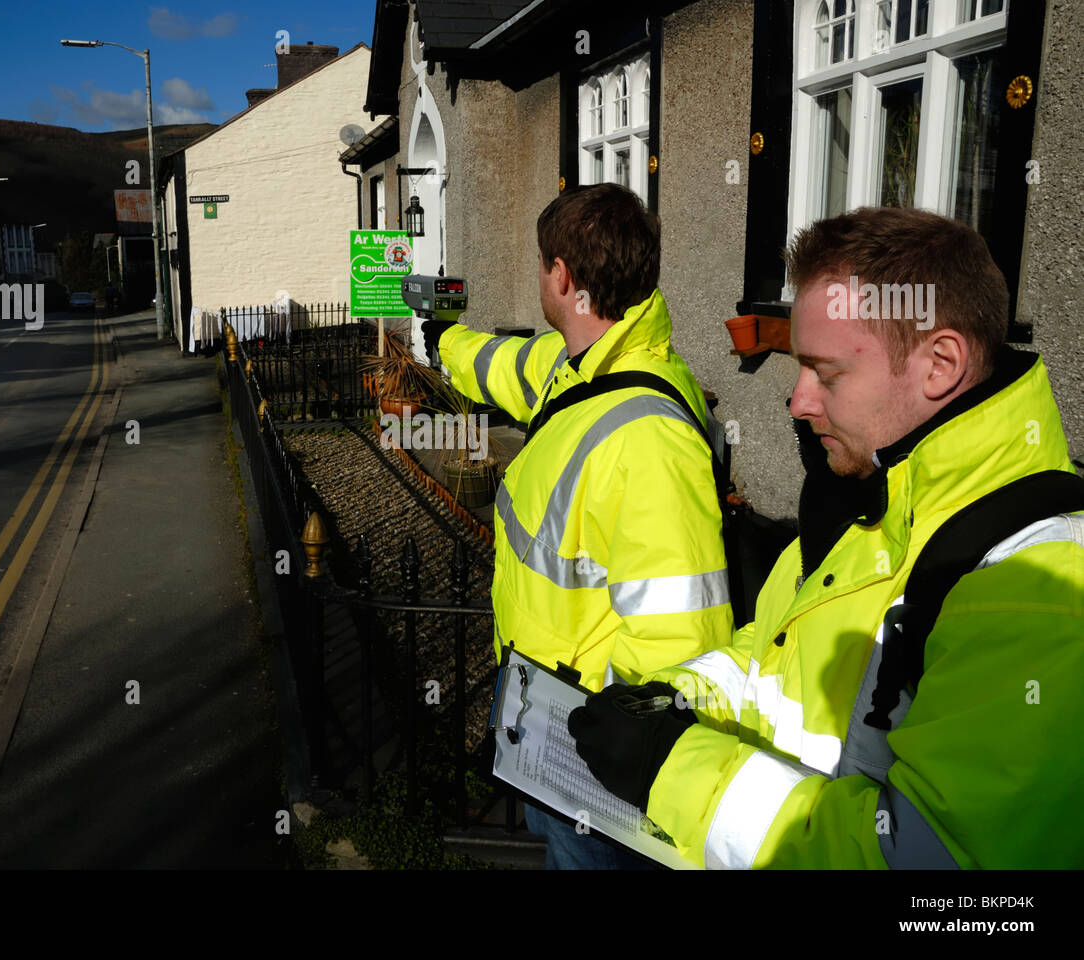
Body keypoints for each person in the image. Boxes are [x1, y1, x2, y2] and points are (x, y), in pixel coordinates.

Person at [568, 206, 1084, 868]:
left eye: (827, 372)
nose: (798, 401)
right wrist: (673, 697)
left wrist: (673, 767)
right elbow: (772, 655)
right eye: (796, 367)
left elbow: (930, 864)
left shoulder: (1041, 586)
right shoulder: (873, 496)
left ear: (941, 364)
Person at [419, 183, 733, 868]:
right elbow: (504, 365)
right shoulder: (580, 365)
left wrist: (619, 752)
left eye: (540, 264)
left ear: (561, 275)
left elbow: (681, 637)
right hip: (543, 706)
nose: (539, 275)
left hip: (591, 744)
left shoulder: (647, 436)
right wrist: (445, 339)